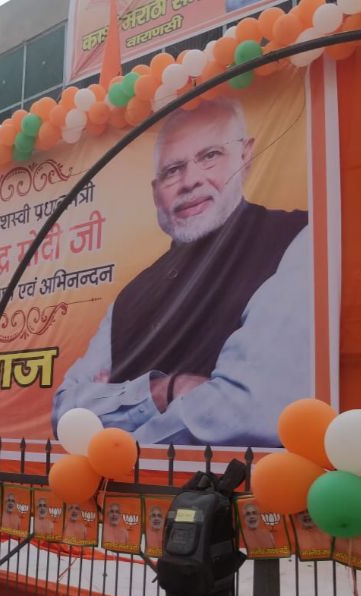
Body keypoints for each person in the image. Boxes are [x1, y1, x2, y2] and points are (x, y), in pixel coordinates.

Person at [53, 97, 310, 447]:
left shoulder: (294, 240)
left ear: (246, 155)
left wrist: (114, 415)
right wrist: (161, 391)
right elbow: (65, 411)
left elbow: (249, 410)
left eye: (209, 156)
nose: (190, 181)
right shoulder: (131, 297)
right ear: (156, 192)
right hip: (118, 496)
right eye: (173, 170)